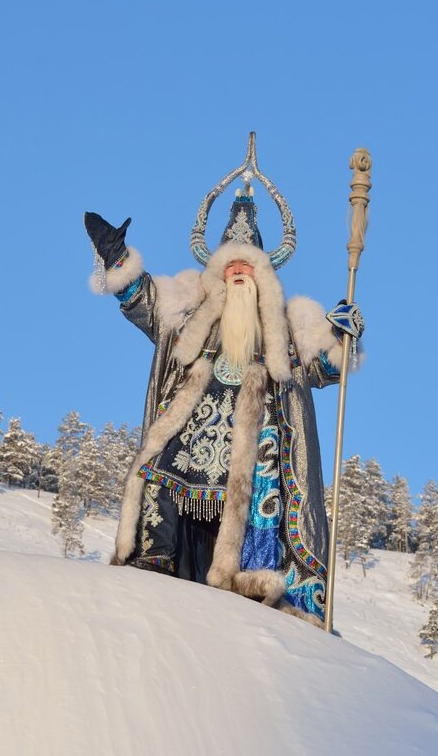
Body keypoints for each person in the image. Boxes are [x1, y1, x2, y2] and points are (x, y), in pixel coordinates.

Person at [84, 188, 362, 626]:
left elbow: (324, 368)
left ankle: (242, 589)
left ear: (262, 277)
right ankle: (154, 564)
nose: (237, 273)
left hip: (255, 456)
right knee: (159, 471)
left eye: (246, 266)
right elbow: (144, 301)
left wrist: (343, 338)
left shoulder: (287, 330)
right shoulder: (189, 311)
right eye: (230, 266)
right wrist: (117, 258)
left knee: (252, 508)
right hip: (189, 441)